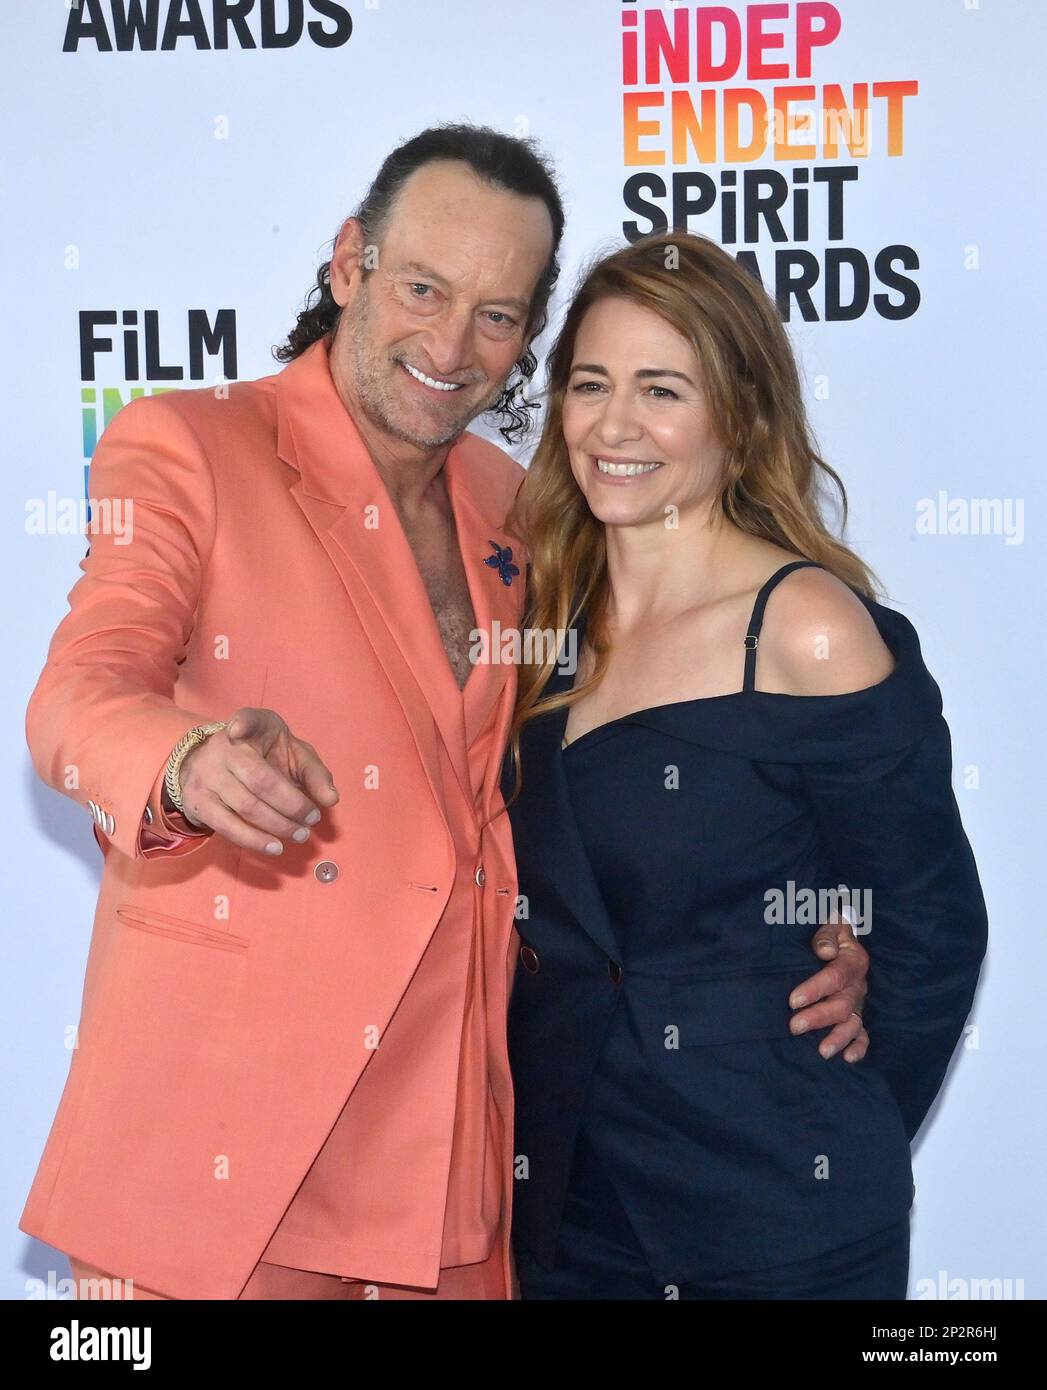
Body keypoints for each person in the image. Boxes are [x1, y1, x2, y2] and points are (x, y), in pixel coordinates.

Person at [21, 127, 870, 1303]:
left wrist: (814, 910)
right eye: (423, 287)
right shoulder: (191, 445)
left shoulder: (516, 504)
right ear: (347, 264)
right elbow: (80, 692)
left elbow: (642, 750)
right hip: (225, 1156)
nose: (451, 344)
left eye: (498, 315)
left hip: (455, 1162)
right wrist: (185, 761)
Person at [501, 231, 989, 1300]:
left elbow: (936, 924)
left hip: (779, 1226)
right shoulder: (541, 618)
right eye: (590, 383)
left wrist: (835, 1128)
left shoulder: (806, 628)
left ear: (742, 412)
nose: (615, 425)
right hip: (564, 1219)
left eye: (661, 389)